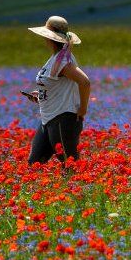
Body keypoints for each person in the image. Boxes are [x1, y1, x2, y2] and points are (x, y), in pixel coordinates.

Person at [25, 16, 91, 166]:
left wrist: (82, 109)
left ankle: (77, 188)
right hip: (48, 118)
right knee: (35, 163)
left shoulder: (62, 61)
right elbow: (55, 84)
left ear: (48, 38)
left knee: (69, 163)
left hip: (63, 118)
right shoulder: (56, 58)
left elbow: (85, 82)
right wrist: (40, 95)